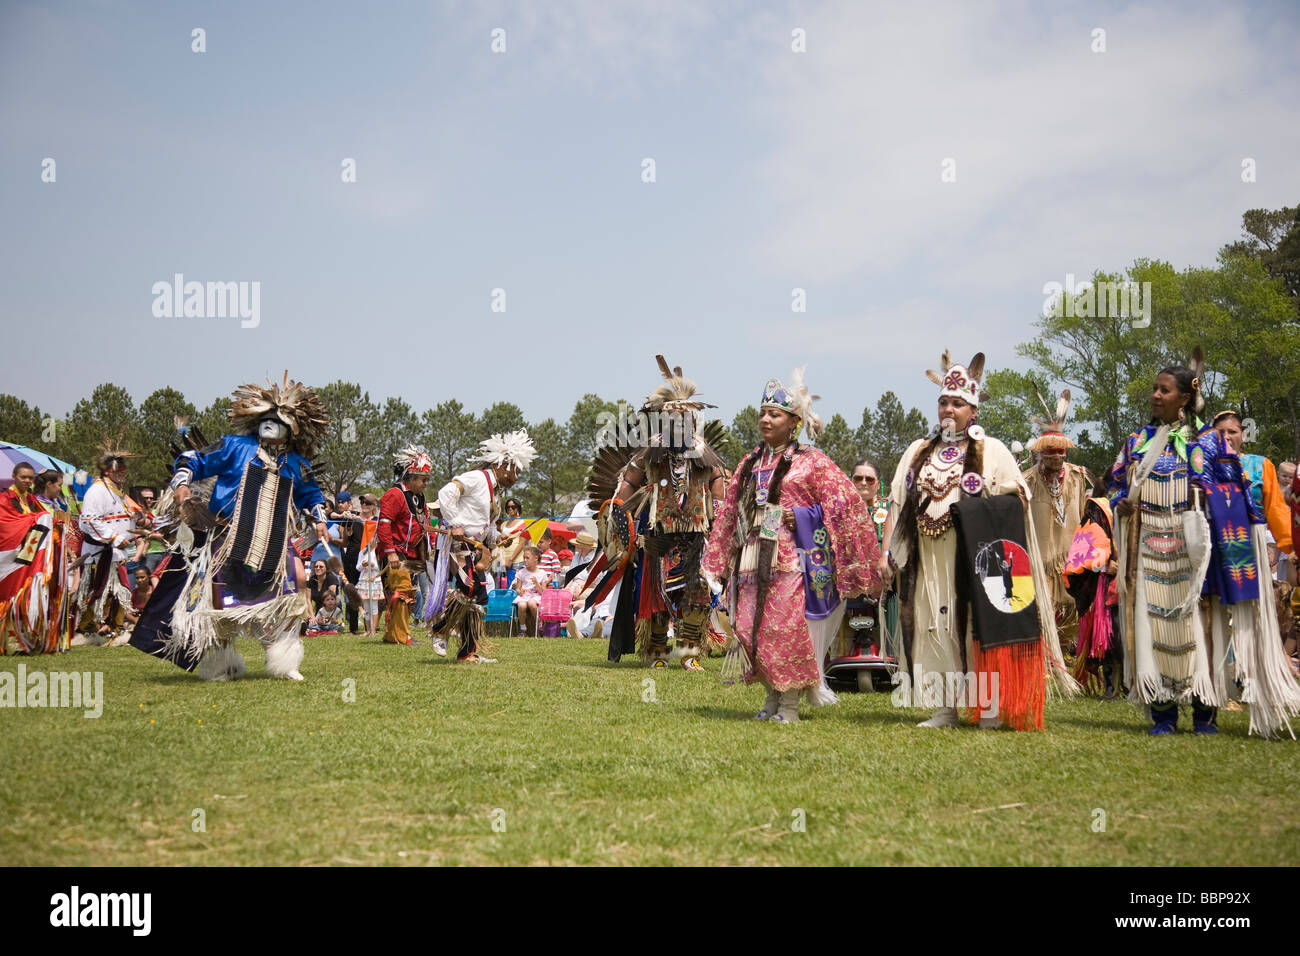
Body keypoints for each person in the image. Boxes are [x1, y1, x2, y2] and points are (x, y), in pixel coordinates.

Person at [1111, 353, 1300, 737]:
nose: (1155, 396)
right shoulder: (1138, 440)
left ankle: (1203, 715)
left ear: (1184, 398)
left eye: (1164, 390)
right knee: (1154, 625)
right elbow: (1115, 484)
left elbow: (1237, 489)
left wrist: (1218, 509)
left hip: (1195, 549)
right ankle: (1163, 713)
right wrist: (1122, 503)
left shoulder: (1209, 442)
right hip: (1149, 543)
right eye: (1154, 389)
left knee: (1199, 627)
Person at [886, 350, 1075, 730]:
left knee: (976, 624)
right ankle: (945, 707)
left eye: (957, 403)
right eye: (943, 402)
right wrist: (886, 553)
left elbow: (1016, 502)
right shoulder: (919, 451)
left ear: (973, 410)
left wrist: (977, 518)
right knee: (932, 625)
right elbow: (897, 502)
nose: (948, 409)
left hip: (975, 559)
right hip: (928, 556)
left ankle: (988, 707)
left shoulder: (993, 451)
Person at [702, 369, 881, 722]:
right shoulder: (750, 462)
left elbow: (844, 503)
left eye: (775, 414)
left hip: (793, 561)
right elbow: (727, 513)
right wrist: (716, 560)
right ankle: (771, 698)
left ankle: (790, 705)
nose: (766, 419)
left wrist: (798, 515)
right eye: (763, 413)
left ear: (794, 422)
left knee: (784, 630)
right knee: (752, 629)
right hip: (752, 561)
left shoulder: (812, 462)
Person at [129, 373, 331, 681]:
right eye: (267, 419)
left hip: (273, 541)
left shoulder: (294, 462)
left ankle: (284, 660)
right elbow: (193, 458)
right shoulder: (234, 446)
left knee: (293, 588)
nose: (271, 427)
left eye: (279, 422)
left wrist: (319, 519)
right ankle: (224, 663)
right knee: (220, 599)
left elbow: (311, 494)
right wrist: (182, 483)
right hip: (227, 535)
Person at [587, 355, 729, 671]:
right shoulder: (649, 452)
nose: (681, 421)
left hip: (694, 535)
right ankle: (656, 652)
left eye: (685, 416)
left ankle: (690, 651)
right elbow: (623, 495)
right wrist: (618, 524)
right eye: (674, 416)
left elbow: (718, 494)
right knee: (655, 595)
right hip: (656, 535)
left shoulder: (704, 453)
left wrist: (720, 528)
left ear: (693, 419)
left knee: (697, 594)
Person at [428, 429, 537, 662]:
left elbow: (484, 524)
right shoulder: (477, 478)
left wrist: (496, 536)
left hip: (474, 547)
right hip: (456, 544)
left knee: (479, 598)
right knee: (469, 589)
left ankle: (467, 652)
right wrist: (455, 523)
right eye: (515, 470)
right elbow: (446, 493)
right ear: (502, 464)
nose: (516, 477)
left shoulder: (495, 492)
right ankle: (439, 629)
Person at [1022, 389, 1092, 659]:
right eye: (1049, 454)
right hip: (1038, 556)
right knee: (1040, 607)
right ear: (1040, 454)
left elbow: (1084, 514)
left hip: (1069, 555)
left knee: (1069, 605)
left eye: (1059, 454)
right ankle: (1042, 657)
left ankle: (1062, 654)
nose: (1055, 458)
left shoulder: (1077, 478)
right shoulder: (1027, 480)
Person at [75, 448, 149, 645]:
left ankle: (117, 630)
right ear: (107, 470)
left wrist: (139, 521)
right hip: (99, 553)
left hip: (116, 552)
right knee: (96, 591)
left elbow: (125, 515)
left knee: (120, 591)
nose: (124, 472)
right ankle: (85, 629)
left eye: (124, 468)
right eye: (119, 469)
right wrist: (114, 537)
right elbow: (88, 521)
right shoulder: (97, 490)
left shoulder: (118, 491)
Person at [1062, 477, 1125, 699]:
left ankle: (1131, 685)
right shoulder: (1098, 509)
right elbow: (1082, 548)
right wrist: (1102, 564)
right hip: (1109, 587)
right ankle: (1113, 686)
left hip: (1135, 583)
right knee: (1112, 635)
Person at [1212, 412, 1293, 557]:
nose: (1226, 436)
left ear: (1243, 436)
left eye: (1232, 432)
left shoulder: (1261, 465)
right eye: (1220, 432)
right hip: (1213, 543)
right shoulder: (1203, 467)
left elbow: (1276, 509)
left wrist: (1291, 546)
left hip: (1252, 542)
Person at [378, 446, 436, 648]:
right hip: (395, 552)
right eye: (423, 479)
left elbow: (425, 523)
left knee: (409, 594)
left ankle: (396, 633)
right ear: (410, 477)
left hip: (413, 553)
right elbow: (383, 525)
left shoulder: (419, 498)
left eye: (427, 479)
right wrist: (390, 552)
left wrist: (433, 543)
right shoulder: (394, 495)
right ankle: (401, 636)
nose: (426, 484)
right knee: (401, 591)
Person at [354, 494, 384, 638]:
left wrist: (372, 564)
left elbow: (380, 566)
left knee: (373, 606)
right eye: (362, 503)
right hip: (364, 580)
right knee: (366, 606)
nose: (364, 505)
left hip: (375, 580)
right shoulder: (363, 550)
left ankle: (373, 629)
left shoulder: (378, 551)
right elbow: (358, 566)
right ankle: (367, 630)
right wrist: (364, 563)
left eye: (367, 503)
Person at [512, 546, 548, 634]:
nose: (525, 560)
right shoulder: (521, 572)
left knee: (532, 603)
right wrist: (519, 591)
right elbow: (517, 588)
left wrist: (536, 584)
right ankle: (523, 628)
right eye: (524, 557)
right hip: (524, 596)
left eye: (527, 558)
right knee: (521, 605)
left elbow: (543, 592)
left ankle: (538, 623)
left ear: (536, 558)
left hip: (536, 596)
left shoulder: (542, 573)